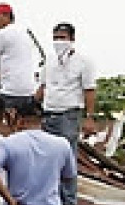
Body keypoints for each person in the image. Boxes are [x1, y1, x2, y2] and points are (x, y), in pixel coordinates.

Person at [36, 22, 98, 151]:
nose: (59, 42)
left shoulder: (84, 61)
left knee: (66, 152)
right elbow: (43, 86)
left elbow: (89, 90)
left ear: (72, 39)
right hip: (48, 114)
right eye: (56, 38)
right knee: (48, 153)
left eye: (62, 38)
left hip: (69, 115)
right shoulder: (50, 60)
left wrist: (89, 118)